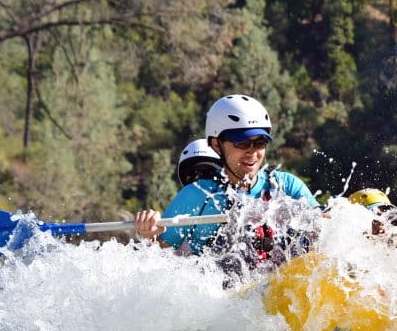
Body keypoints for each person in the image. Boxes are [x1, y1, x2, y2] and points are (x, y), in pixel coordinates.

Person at [134, 94, 319, 253]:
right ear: (216, 144)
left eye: (260, 143)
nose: (252, 152)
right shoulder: (197, 195)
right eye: (242, 143)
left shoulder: (287, 186)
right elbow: (160, 256)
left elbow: (323, 229)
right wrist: (148, 234)